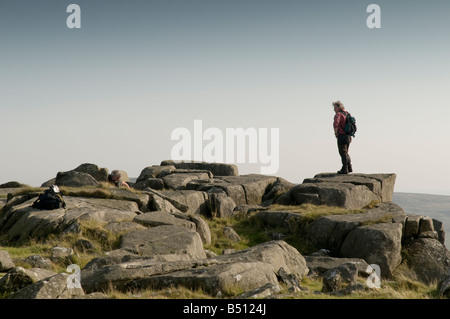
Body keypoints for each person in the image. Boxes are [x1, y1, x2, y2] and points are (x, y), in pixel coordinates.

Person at [332, 100, 352, 174]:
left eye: (335, 107)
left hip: (342, 136)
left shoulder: (338, 114)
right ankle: (349, 167)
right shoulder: (347, 114)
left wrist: (336, 133)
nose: (334, 109)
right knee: (346, 152)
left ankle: (345, 169)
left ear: (338, 107)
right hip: (348, 136)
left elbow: (335, 124)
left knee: (343, 153)